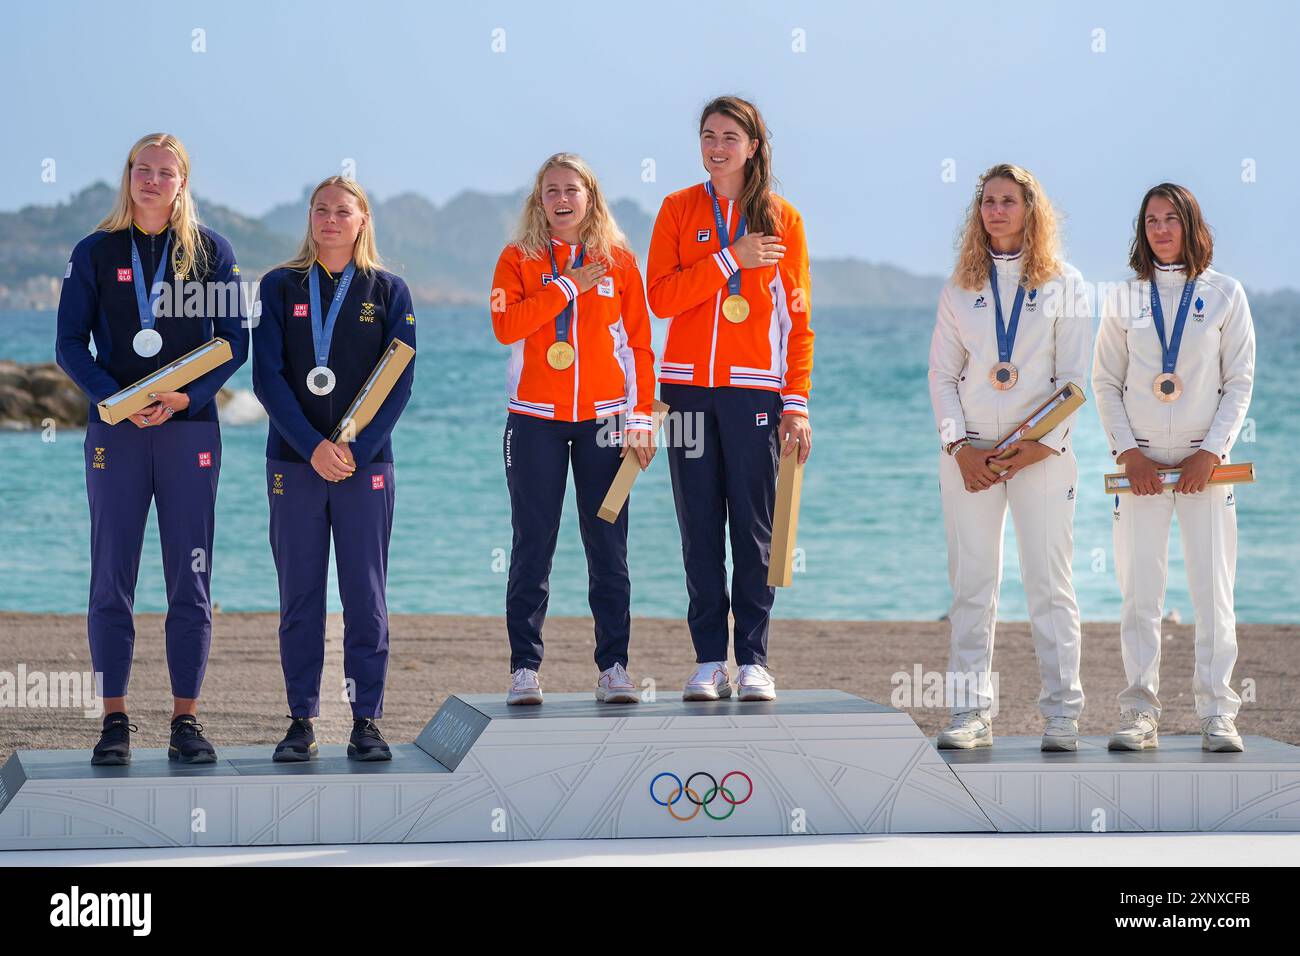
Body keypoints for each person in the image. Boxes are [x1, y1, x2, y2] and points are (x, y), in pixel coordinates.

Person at [55, 132, 248, 765]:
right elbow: (69, 346)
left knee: (189, 576)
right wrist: (121, 400)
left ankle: (185, 720)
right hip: (117, 432)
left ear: (183, 182)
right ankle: (114, 722)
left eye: (166, 173)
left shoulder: (209, 254)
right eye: (143, 169)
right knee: (111, 576)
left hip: (188, 432)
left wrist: (184, 400)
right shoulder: (95, 251)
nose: (152, 181)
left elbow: (233, 344)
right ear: (128, 176)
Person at [646, 95, 813, 703]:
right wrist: (727, 259)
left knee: (755, 528)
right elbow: (660, 299)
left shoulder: (783, 220)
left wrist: (796, 403)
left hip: (754, 396)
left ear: (754, 145)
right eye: (708, 135)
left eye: (729, 136)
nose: (717, 146)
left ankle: (754, 661)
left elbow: (799, 323)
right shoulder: (676, 209)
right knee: (698, 529)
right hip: (686, 390)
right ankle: (708, 660)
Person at [252, 176, 416, 761]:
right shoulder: (278, 286)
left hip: (364, 468)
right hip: (293, 463)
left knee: (365, 597)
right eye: (320, 210)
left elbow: (398, 382)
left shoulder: (389, 290)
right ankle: (300, 721)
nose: (329, 219)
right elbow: (266, 377)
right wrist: (313, 446)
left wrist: (356, 450)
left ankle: (366, 721)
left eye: (341, 211)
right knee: (300, 597)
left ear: (362, 219)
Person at [927, 163, 1091, 751]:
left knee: (1050, 584)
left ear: (1030, 210)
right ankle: (970, 714)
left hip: (1042, 454)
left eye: (1008, 201)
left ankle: (1062, 716)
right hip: (969, 457)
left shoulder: (1065, 283)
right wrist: (958, 446)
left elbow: (1074, 382)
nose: (996, 211)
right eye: (988, 202)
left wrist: (1034, 447)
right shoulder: (960, 286)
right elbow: (943, 377)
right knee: (973, 586)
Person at [1092, 183, 1255, 753]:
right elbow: (1105, 383)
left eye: (1171, 219)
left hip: (1205, 467)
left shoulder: (1226, 294)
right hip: (1141, 468)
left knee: (1213, 591)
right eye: (1151, 220)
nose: (1161, 229)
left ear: (1190, 224)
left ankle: (1218, 713)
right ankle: (1139, 711)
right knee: (1140, 594)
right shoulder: (1123, 299)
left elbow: (1239, 383)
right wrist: (1126, 452)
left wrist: (1211, 451)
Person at [489, 153, 656, 706]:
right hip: (534, 421)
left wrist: (640, 419)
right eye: (551, 190)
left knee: (608, 546)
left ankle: (613, 667)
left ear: (591, 198)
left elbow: (639, 345)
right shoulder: (517, 259)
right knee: (532, 546)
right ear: (539, 200)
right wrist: (565, 287)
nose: (561, 199)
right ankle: (524, 669)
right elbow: (505, 326)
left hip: (605, 424)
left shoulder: (621, 263)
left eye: (572, 189)